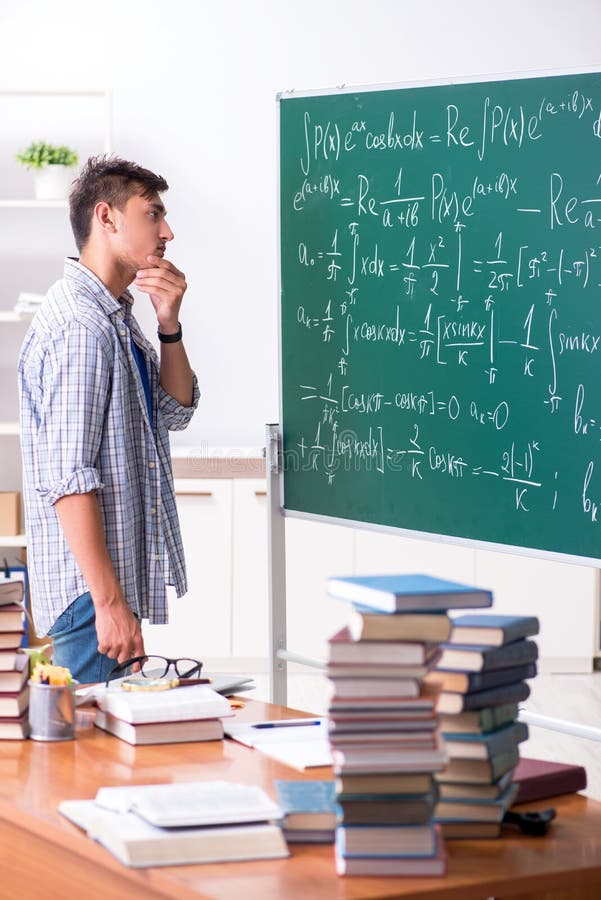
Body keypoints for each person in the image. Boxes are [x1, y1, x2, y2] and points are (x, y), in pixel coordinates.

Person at [18, 155, 199, 683]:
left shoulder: (114, 314)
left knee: (104, 757)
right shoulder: (82, 326)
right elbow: (69, 478)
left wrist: (170, 326)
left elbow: (175, 410)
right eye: (153, 214)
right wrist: (109, 603)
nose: (167, 231)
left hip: (100, 591)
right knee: (90, 762)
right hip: (90, 600)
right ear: (107, 218)